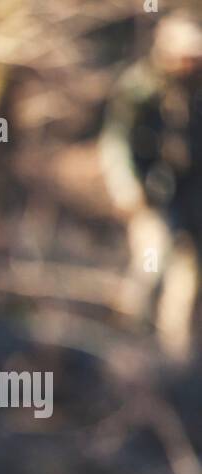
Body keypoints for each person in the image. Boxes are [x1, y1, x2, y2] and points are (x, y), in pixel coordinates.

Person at [101, 13, 202, 361]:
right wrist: (127, 187)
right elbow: (116, 141)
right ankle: (126, 343)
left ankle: (175, 351)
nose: (191, 62)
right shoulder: (140, 87)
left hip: (191, 194)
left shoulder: (196, 92)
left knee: (189, 270)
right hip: (152, 191)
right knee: (151, 258)